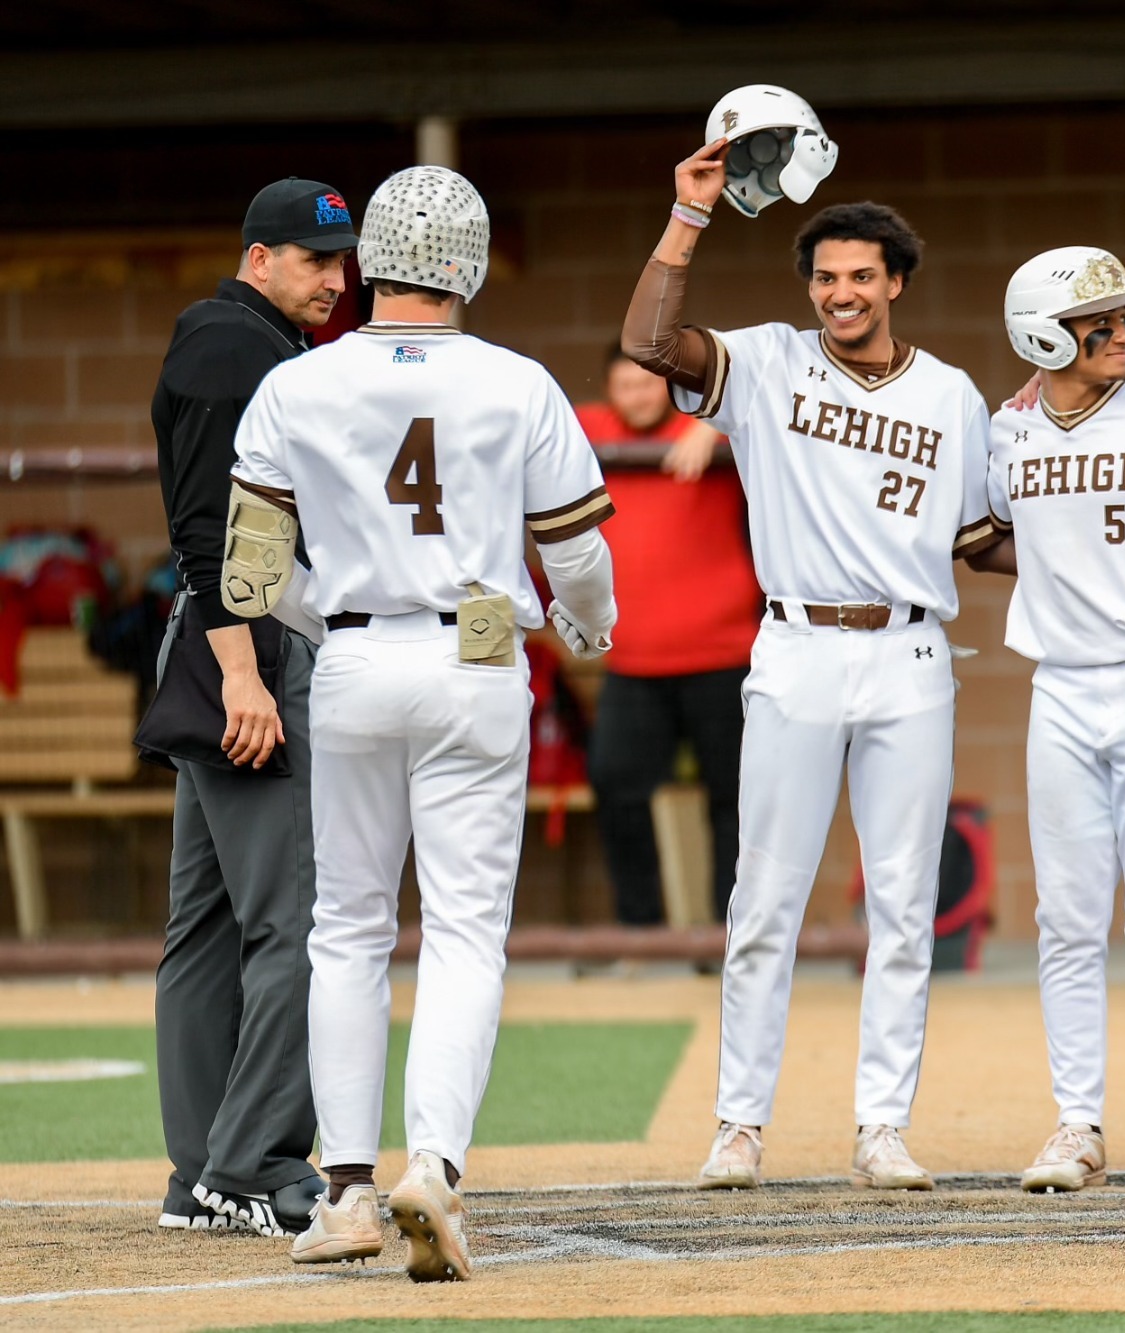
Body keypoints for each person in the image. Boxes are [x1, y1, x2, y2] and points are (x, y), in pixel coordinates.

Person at [228, 164, 618, 1279]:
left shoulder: (297, 383)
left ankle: (346, 1188)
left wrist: (337, 618)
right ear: (471, 264)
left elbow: (252, 569)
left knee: (345, 927)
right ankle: (433, 1168)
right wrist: (586, 629)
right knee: (460, 928)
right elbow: (578, 554)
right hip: (477, 648)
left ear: (368, 264)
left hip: (352, 655)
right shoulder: (518, 380)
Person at [621, 92, 995, 1192]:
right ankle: (739, 1123)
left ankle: (881, 1125)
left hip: (912, 655)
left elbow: (980, 538)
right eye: (824, 276)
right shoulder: (769, 362)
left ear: (895, 283)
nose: (840, 292)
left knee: (900, 902)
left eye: (860, 275)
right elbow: (648, 341)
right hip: (793, 648)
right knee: (764, 901)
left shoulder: (954, 393)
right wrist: (687, 216)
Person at [971, 247, 1125, 1193]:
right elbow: (986, 535)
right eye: (1097, 320)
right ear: (1042, 332)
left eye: (1123, 316)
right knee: (1067, 916)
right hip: (1062, 688)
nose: (1120, 330)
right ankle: (1077, 1122)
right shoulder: (1005, 433)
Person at [147, 178, 356, 1237]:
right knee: (295, 919)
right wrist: (244, 675)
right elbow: (205, 528)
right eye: (315, 259)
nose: (334, 278)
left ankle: (202, 1175)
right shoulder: (235, 347)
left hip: (223, 637)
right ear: (259, 256)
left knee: (210, 921)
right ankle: (256, 1160)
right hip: (251, 642)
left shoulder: (241, 339)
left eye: (342, 259)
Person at [575, 344, 759, 927]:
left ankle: (731, 938)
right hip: (633, 664)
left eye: (647, 383)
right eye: (623, 385)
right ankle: (642, 933)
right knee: (616, 789)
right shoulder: (593, 428)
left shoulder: (712, 422)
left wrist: (716, 427)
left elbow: (770, 415)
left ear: (670, 386)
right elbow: (530, 430)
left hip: (724, 654)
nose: (636, 395)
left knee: (735, 804)